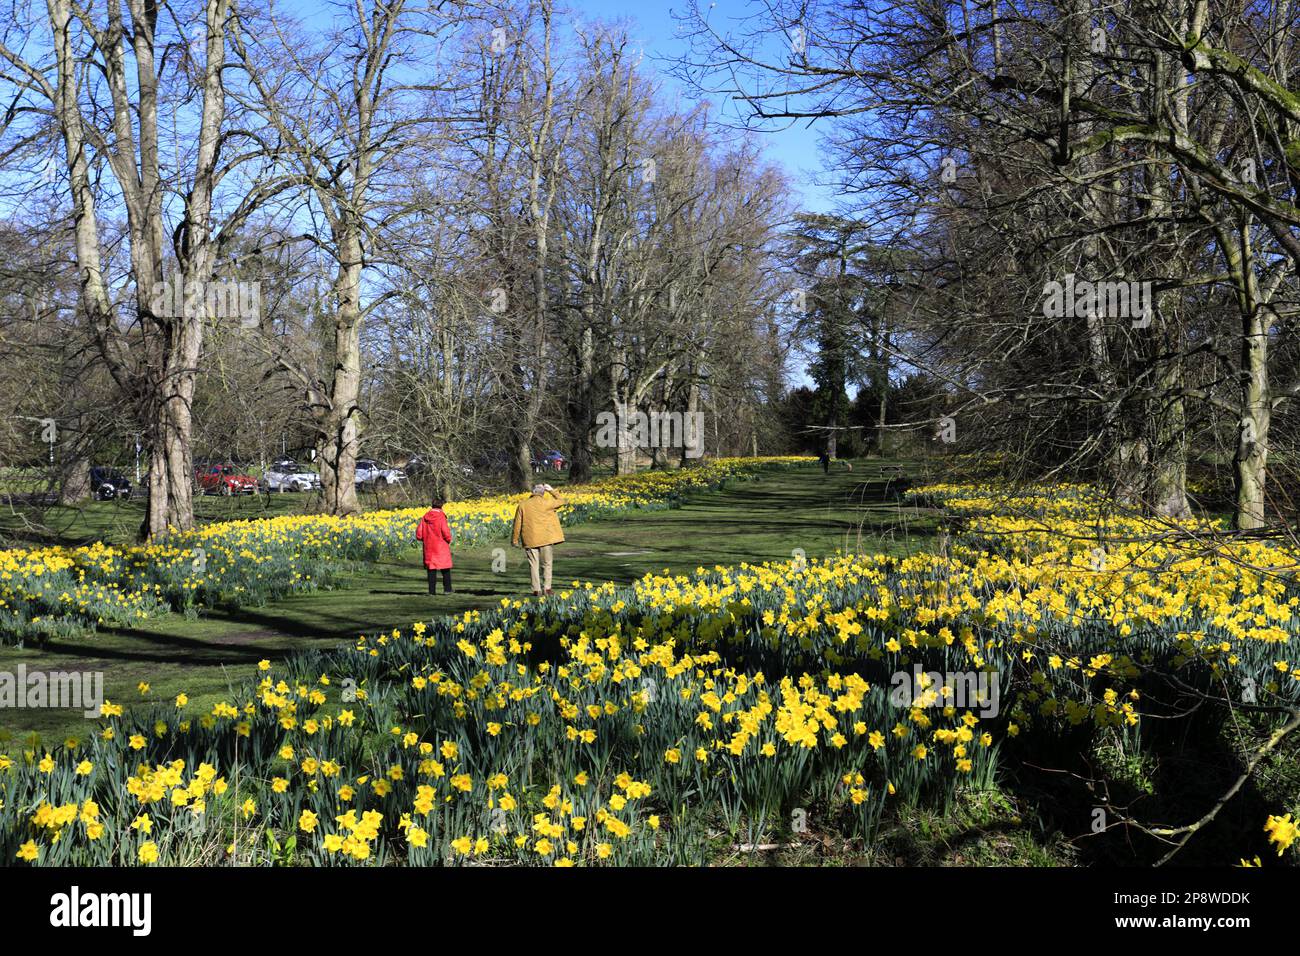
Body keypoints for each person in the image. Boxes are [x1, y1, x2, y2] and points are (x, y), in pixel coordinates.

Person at [512, 482, 566, 597]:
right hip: (546, 538)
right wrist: (551, 490)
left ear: (533, 492)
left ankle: (536, 590)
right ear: (543, 493)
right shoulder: (547, 503)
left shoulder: (523, 505)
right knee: (547, 564)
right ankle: (547, 588)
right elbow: (562, 501)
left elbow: (517, 523)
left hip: (529, 539)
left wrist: (515, 540)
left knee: (533, 564)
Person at [416, 495, 454, 594]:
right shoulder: (441, 516)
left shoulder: (425, 517)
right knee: (445, 568)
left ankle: (432, 591)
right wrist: (449, 539)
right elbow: (445, 531)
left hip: (429, 546)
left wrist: (424, 538)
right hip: (441, 545)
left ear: (432, 505)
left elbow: (419, 533)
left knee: (431, 569)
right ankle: (447, 589)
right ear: (441, 505)